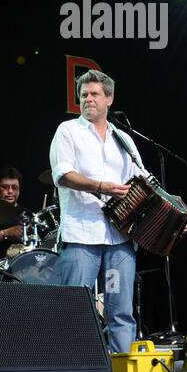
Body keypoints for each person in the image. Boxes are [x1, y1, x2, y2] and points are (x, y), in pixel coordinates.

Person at [48, 69, 141, 353]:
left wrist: (172, 218)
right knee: (72, 311)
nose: (88, 99)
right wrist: (101, 186)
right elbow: (63, 175)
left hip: (120, 240)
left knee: (121, 313)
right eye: (83, 95)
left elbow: (143, 182)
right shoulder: (68, 131)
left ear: (109, 99)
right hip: (82, 237)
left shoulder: (123, 139)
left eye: (94, 94)